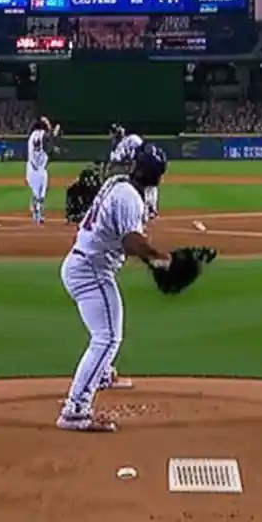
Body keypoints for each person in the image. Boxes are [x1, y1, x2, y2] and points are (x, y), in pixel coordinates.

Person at [57, 143, 168, 432]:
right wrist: (158, 258)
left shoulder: (116, 183)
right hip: (90, 271)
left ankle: (102, 373)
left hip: (81, 263)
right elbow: (131, 242)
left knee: (105, 333)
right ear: (155, 177)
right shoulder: (130, 198)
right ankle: (75, 409)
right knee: (107, 337)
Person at [109, 123, 158, 220]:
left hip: (136, 167)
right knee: (151, 185)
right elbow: (145, 149)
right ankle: (151, 208)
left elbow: (115, 162)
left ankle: (146, 210)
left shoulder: (119, 147)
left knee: (140, 187)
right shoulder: (134, 138)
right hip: (143, 164)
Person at [26, 117, 59, 224]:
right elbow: (48, 144)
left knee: (36, 193)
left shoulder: (31, 136)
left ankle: (36, 212)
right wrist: (54, 147)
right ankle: (38, 215)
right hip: (39, 168)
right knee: (42, 194)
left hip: (30, 167)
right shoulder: (43, 135)